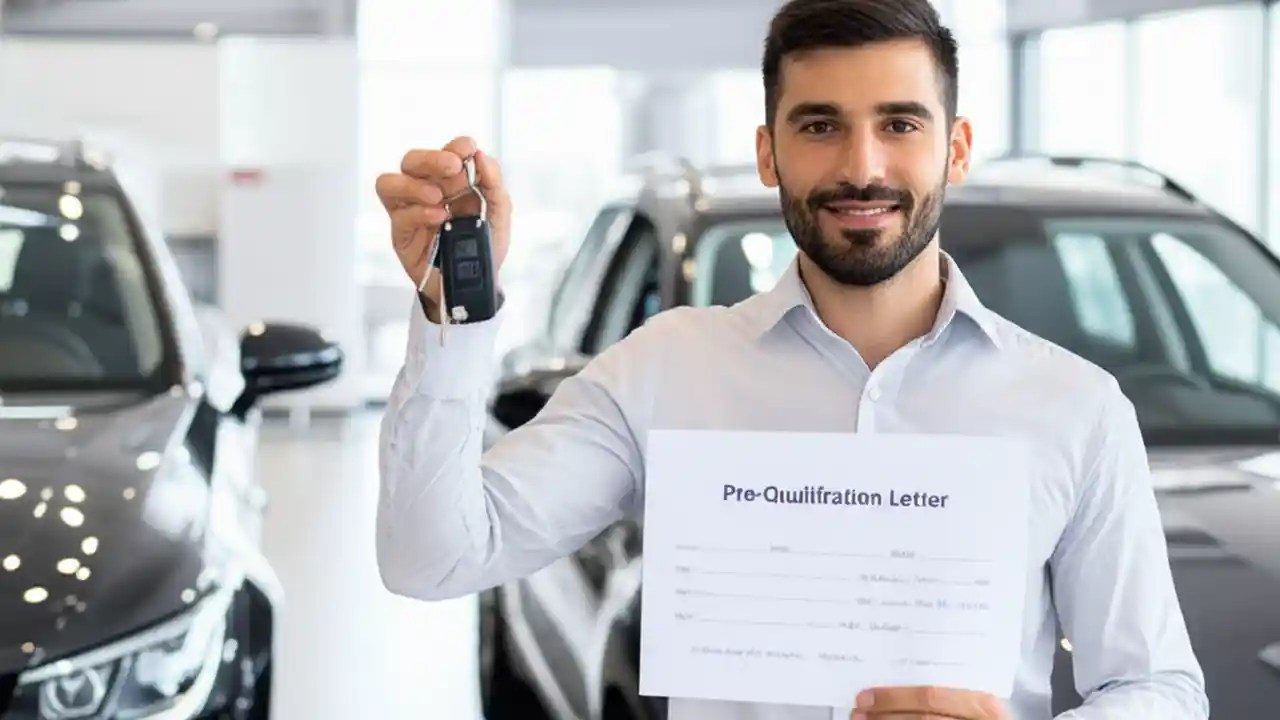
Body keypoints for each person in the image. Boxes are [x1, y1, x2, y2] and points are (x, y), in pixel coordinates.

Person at [372, 0, 1209, 718]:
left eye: (899, 123)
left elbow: (1160, 687)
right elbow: (433, 555)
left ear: (954, 148)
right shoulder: (664, 370)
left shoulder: (1076, 407)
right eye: (820, 126)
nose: (862, 166)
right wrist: (456, 313)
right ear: (770, 150)